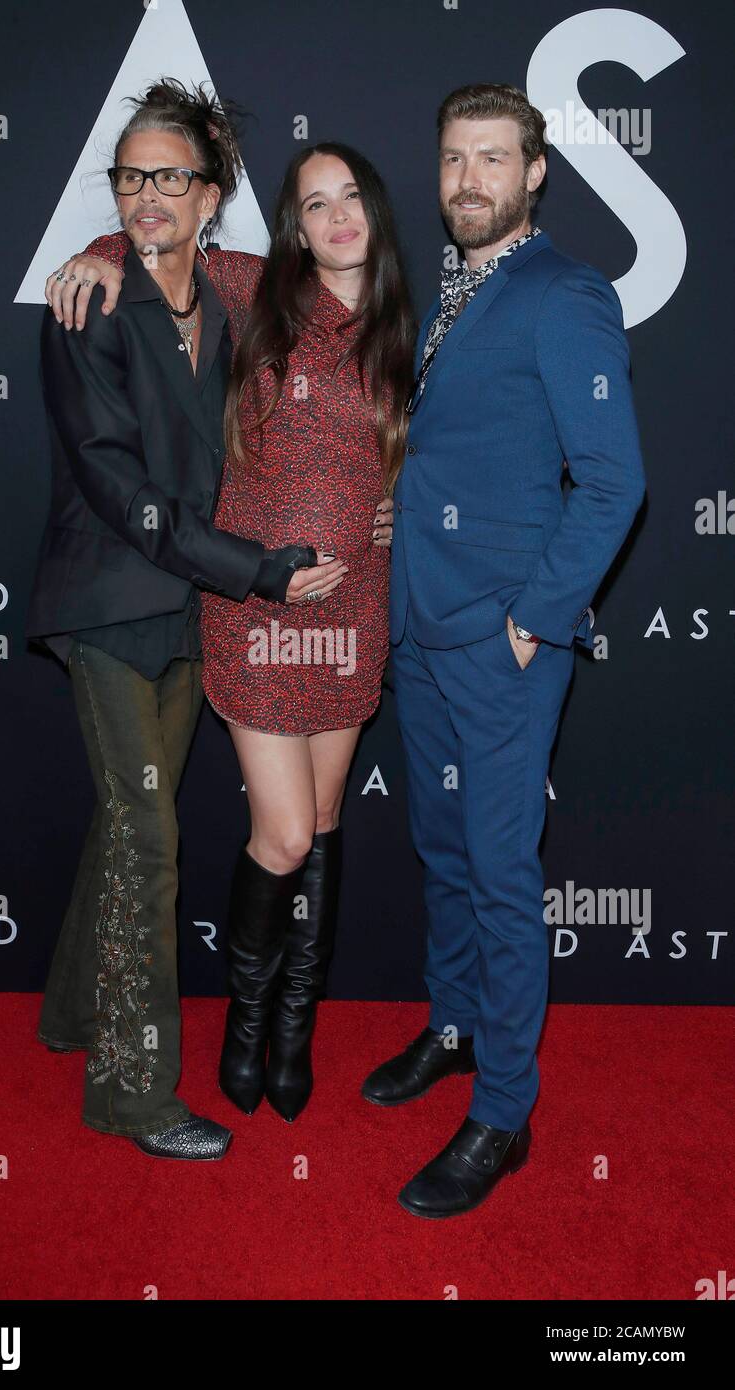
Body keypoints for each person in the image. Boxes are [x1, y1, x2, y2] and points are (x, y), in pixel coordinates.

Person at [47, 140, 414, 1122]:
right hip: (256, 610)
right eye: (312, 202)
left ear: (373, 214)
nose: (334, 217)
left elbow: (425, 453)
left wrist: (395, 502)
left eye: (349, 199)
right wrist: (97, 247)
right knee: (283, 832)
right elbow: (163, 242)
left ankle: (290, 1030)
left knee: (324, 825)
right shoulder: (259, 291)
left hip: (352, 612)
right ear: (289, 224)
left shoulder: (400, 329)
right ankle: (245, 1022)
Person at [366, 83, 646, 1217]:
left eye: (492, 159)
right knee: (442, 850)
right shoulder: (443, 288)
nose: (467, 179)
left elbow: (614, 480)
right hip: (421, 625)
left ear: (534, 172)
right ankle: (453, 1024)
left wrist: (532, 619)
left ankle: (503, 1113)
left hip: (500, 640)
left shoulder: (564, 294)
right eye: (451, 159)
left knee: (497, 870)